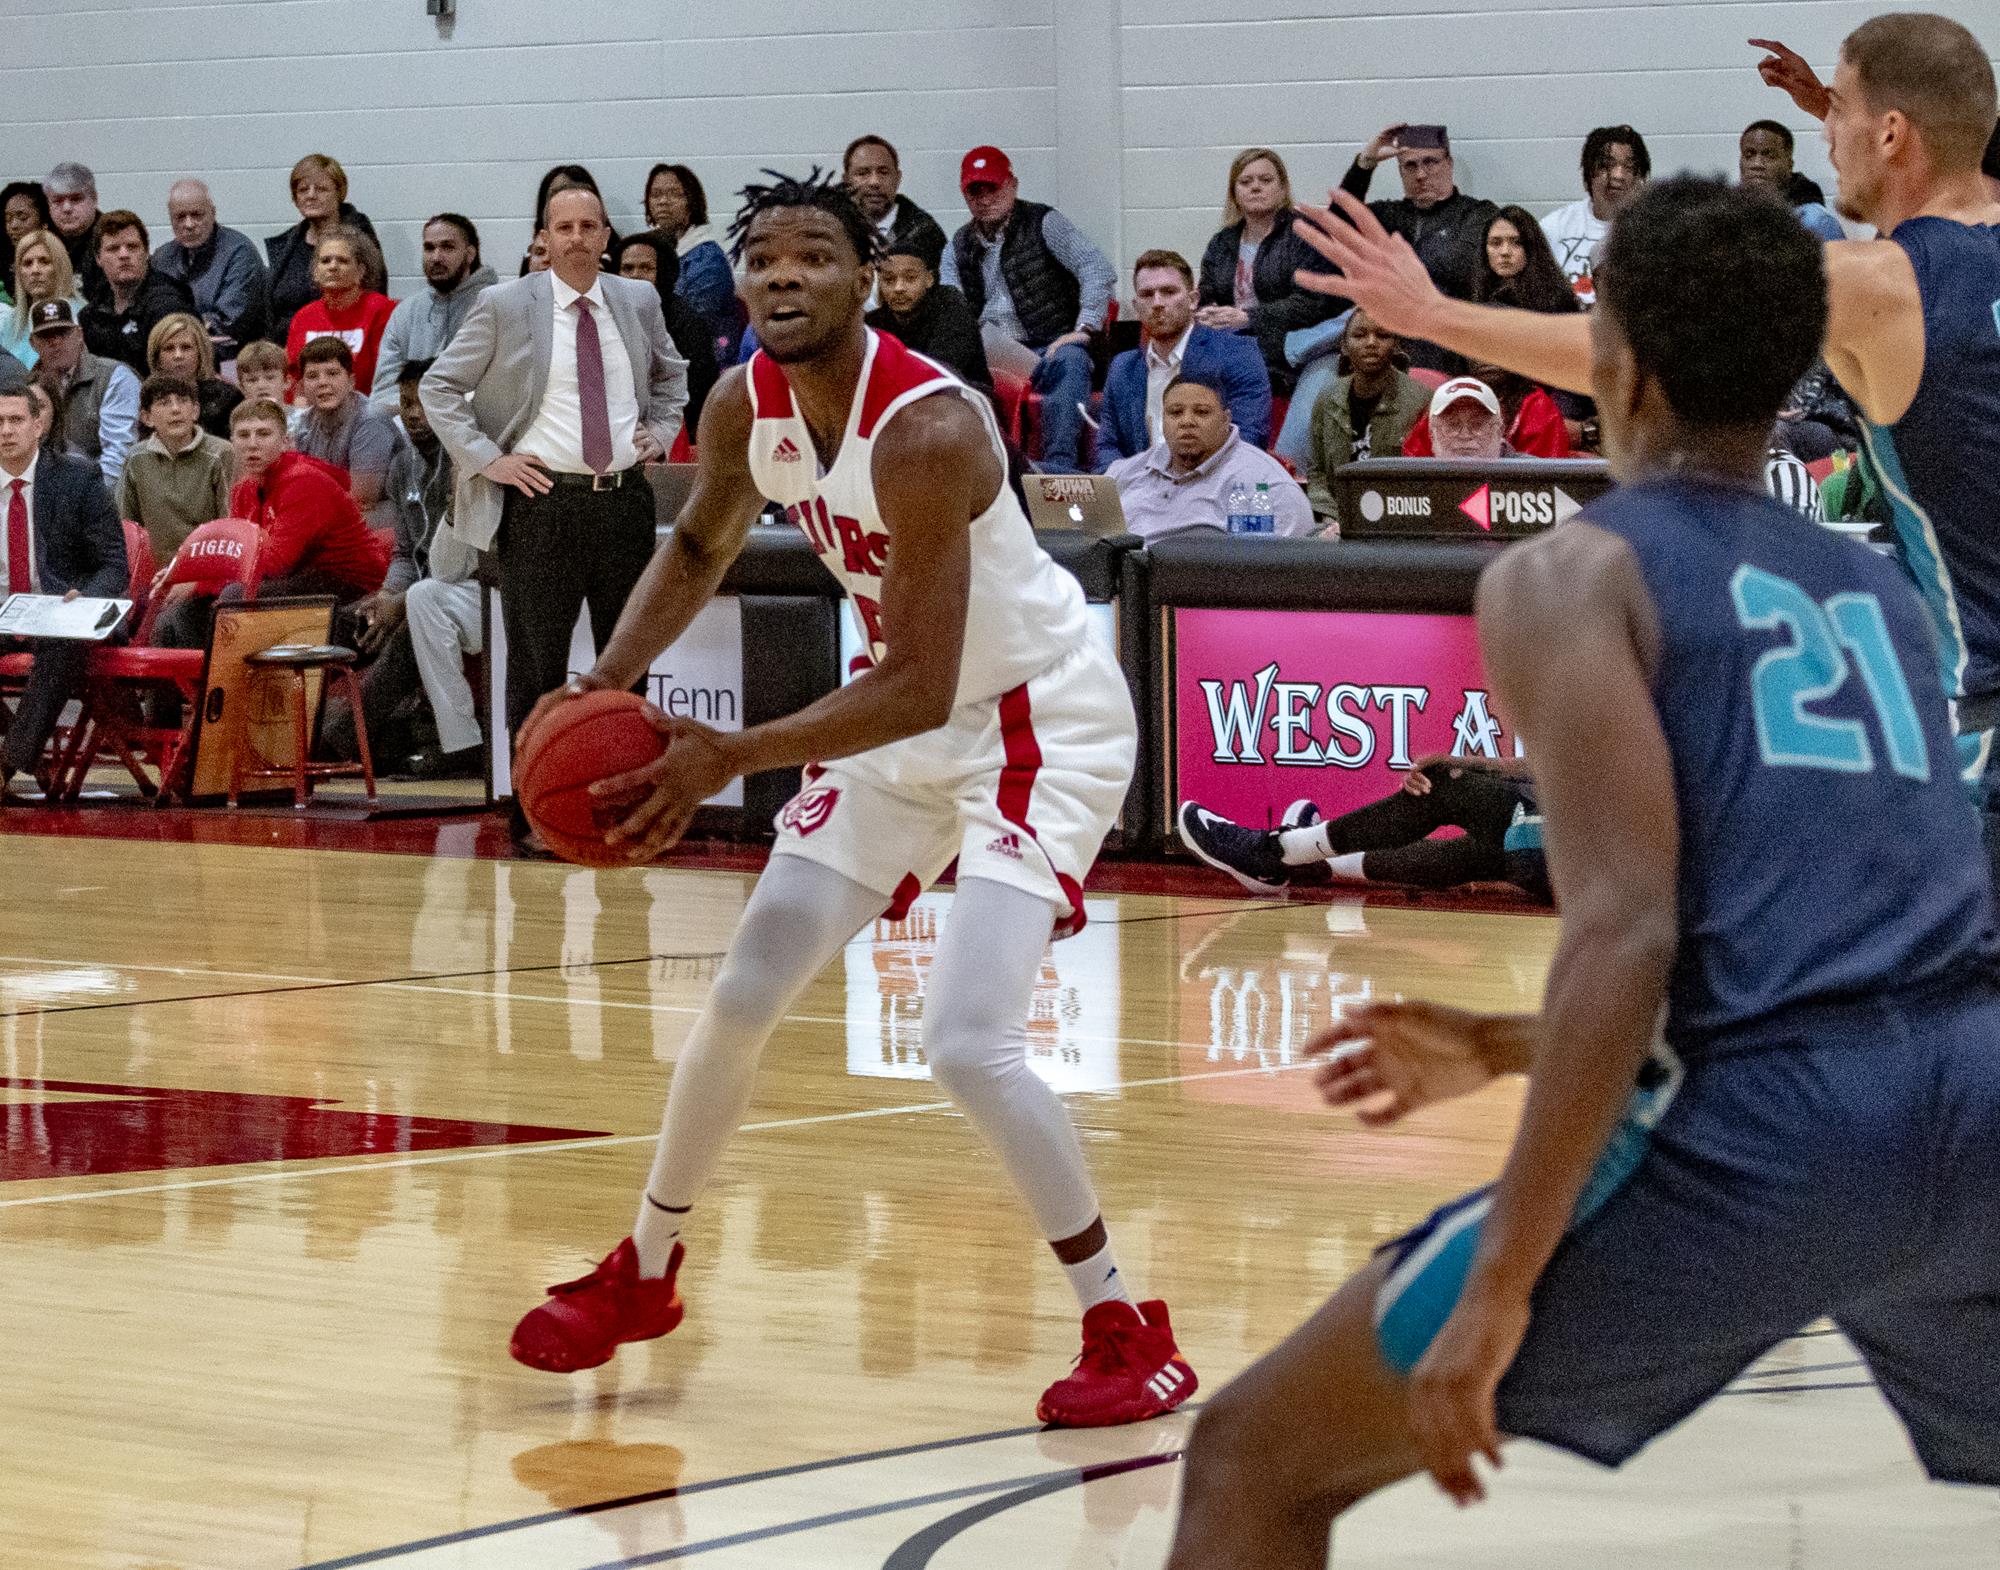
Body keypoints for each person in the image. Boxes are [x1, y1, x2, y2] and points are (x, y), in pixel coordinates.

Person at [1165, 171, 2000, 1567]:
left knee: (1252, 1456)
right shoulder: (1881, 594)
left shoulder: (1574, 572)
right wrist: (1500, 1041)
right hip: (1974, 1103)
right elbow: (1840, 951)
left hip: (1768, 1136)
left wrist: (1501, 1284)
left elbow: (1631, 930)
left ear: (1612, 356)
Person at [504, 170, 1197, 1429]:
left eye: (812, 256)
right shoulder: (741, 405)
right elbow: (701, 546)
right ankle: (647, 1267)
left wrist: (732, 751)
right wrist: (595, 695)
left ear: (864, 278)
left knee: (963, 1042)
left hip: (1029, 719)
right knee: (744, 984)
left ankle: (1123, 1322)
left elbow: (925, 681)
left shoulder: (930, 428)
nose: (781, 276)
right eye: (760, 256)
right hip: (901, 724)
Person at [1307, 17, 2000, 871]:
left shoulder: (1881, 284)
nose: (1825, 131)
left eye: (1839, 112)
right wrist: (1849, 105)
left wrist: (1431, 315)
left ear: (1893, 132)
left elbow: (1628, 347)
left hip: (1984, 724)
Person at [420, 184, 687, 809]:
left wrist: (665, 430)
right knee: (537, 670)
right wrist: (491, 460)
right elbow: (439, 388)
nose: (575, 238)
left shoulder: (638, 298)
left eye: (588, 226)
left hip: (624, 500)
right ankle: (535, 807)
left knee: (631, 661)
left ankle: (628, 798)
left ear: (605, 236)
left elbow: (672, 376)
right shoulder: (505, 303)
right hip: (542, 505)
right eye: (561, 228)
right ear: (543, 237)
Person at [320, 360, 484, 777]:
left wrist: (402, 602)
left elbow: (463, 560)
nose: (414, 413)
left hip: (475, 586)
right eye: (407, 402)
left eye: (425, 402)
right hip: (429, 587)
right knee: (350, 621)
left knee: (417, 612)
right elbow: (404, 552)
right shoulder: (403, 465)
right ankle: (319, 731)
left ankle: (344, 738)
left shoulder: (468, 458)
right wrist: (389, 596)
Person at [149, 400, 390, 653]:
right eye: (243, 435)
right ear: (232, 441)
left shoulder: (303, 482)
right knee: (178, 613)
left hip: (351, 588)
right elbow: (238, 555)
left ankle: (233, 687)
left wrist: (200, 583)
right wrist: (186, 574)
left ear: (285, 441)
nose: (252, 443)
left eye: (263, 434)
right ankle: (194, 688)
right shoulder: (244, 490)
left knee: (235, 598)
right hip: (299, 579)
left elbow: (274, 563)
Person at [941, 146, 1116, 474]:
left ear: (1013, 185)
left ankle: (1056, 471)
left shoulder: (1044, 222)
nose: (985, 198)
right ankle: (980, 474)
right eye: (974, 190)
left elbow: (1096, 267)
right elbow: (951, 307)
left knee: (1072, 360)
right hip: (991, 355)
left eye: (992, 187)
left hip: (1048, 347)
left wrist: (1085, 327)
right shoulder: (956, 247)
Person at [1178, 756, 1548, 900]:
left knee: (1443, 785)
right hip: (1573, 862)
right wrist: (1464, 762)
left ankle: (1274, 852)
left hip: (1575, 856)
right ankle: (1310, 861)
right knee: (1460, 856)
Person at [0, 384, 126, 802]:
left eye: (15, 420)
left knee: (60, 641)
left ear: (38, 424)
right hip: (4, 613)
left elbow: (113, 564)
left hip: (63, 612)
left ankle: (8, 762)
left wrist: (85, 598)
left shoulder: (78, 477)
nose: (5, 431)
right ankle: (27, 753)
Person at [1336, 124, 1499, 368]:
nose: (1421, 174)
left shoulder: (1478, 215)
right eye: (1410, 166)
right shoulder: (1387, 215)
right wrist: (1365, 164)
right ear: (1401, 171)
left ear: (1449, 164)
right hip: (1385, 334)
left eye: (1430, 162)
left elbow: (1461, 271)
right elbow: (1336, 223)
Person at [1097, 250, 1270, 468]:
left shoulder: (1236, 353)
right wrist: (1124, 484)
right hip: (1139, 489)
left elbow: (1248, 438)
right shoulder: (1122, 367)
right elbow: (1107, 446)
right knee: (1045, 478)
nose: (1157, 302)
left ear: (1193, 300)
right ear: (1136, 306)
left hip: (1208, 487)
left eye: (1169, 292)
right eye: (1147, 295)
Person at [1195, 148, 1343, 396]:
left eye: (1265, 180)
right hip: (1232, 346)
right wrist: (1203, 309)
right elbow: (1207, 290)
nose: (1255, 187)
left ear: (1282, 189)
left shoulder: (1304, 234)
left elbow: (1313, 304)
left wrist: (1249, 317)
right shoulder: (1222, 242)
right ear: (1234, 193)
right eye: (1245, 182)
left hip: (1291, 351)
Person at [1105, 372, 1313, 540]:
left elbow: (1284, 571)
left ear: (1225, 419)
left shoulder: (1266, 485)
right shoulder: (1127, 471)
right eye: (1175, 413)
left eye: (1202, 412)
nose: (1187, 421)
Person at [1304, 309, 1430, 519]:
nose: (1371, 343)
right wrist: (1331, 517)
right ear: (1344, 346)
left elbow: (1425, 480)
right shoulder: (1327, 399)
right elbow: (1317, 472)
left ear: (1396, 344)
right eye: (1359, 335)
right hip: (1336, 519)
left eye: (1382, 335)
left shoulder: (1422, 400)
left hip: (1398, 521)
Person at [369, 214, 496, 413]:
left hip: (473, 423)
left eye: (447, 247)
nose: (436, 257)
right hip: (413, 424)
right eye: (429, 248)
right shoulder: (405, 312)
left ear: (470, 254)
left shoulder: (495, 305)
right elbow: (384, 391)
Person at [117, 373, 236, 560]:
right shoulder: (136, 457)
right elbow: (127, 527)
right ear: (146, 417)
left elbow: (230, 528)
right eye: (164, 403)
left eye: (182, 401)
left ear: (195, 411)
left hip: (207, 569)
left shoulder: (221, 453)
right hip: (152, 573)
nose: (175, 409)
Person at [265, 155, 380, 347]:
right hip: (287, 348)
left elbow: (373, 299)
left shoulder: (361, 240)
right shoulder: (284, 247)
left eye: (321, 189)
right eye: (303, 190)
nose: (311, 195)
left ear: (339, 193)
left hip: (343, 347)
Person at [293, 336, 407, 530]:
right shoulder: (306, 421)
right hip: (333, 513)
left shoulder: (370, 420)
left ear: (351, 381)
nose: (322, 383)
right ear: (302, 387)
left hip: (384, 519)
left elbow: (363, 500)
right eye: (313, 376)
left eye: (332, 373)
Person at [152, 180, 270, 363]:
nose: (189, 224)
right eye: (180, 217)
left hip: (232, 361)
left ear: (213, 214)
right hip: (175, 359)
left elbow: (228, 323)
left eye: (197, 215)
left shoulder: (240, 252)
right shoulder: (162, 258)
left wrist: (174, 334)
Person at [613, 230, 721, 430]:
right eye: (627, 268)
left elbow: (694, 394)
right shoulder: (605, 316)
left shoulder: (688, 324)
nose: (635, 276)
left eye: (646, 268)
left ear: (662, 273)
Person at [30, 299, 138, 490]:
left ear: (79, 334)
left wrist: (81, 498)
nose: (55, 341)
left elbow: (120, 455)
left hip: (103, 497)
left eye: (62, 332)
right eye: (46, 335)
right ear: (33, 343)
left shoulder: (114, 377)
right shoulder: (28, 389)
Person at [864, 238, 991, 396]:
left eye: (910, 278)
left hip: (965, 400)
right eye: (889, 280)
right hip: (904, 402)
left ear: (929, 279)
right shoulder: (874, 321)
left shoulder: (951, 308)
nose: (899, 288)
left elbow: (937, 373)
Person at [1539, 126, 1649, 305]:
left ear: (1640, 177)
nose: (1618, 175)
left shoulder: (1655, 231)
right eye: (1608, 165)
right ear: (1589, 173)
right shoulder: (1554, 227)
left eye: (1629, 167)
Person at [80, 212, 197, 375]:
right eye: (113, 249)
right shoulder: (91, 314)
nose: (124, 255)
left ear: (147, 252)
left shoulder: (169, 306)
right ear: (98, 258)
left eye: (132, 247)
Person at [284, 227, 396, 397]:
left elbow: (388, 373)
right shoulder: (304, 317)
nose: (333, 267)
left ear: (361, 271)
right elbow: (293, 376)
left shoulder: (382, 310)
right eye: (325, 261)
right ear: (316, 272)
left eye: (342, 261)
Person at [641, 163, 737, 360]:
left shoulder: (708, 260)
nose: (663, 202)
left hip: (704, 362)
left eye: (675, 194)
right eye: (656, 194)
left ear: (692, 202)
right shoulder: (648, 249)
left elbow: (696, 325)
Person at [842, 135, 948, 272]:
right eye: (863, 173)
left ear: (897, 179)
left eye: (883, 172)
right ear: (845, 181)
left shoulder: (925, 232)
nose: (875, 182)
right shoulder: (831, 230)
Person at [1739, 118, 1848, 240]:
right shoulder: (1728, 215)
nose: (1757, 164)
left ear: (1789, 164)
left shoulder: (1816, 222)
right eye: (1749, 155)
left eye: (1769, 155)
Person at [147, 312, 240, 439]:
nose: (178, 355)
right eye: (169, 348)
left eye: (186, 347)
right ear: (156, 357)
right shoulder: (146, 398)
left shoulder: (228, 398)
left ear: (200, 352)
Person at [2, 230, 83, 371]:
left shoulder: (83, 314)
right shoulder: (9, 323)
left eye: (44, 261)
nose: (35, 270)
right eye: (27, 263)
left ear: (60, 266)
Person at [43, 162, 103, 299]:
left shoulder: (112, 239)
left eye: (76, 199)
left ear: (94, 198)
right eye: (58, 201)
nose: (67, 208)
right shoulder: (40, 243)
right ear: (48, 205)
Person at [0, 181, 51, 304]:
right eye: (8, 219)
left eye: (22, 218)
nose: (13, 225)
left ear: (44, 222)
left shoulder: (58, 256)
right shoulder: (3, 262)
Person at [233, 339, 289, 411]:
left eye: (270, 378)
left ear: (286, 381)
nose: (261, 386)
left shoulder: (303, 419)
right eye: (252, 380)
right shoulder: (237, 422)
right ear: (241, 387)